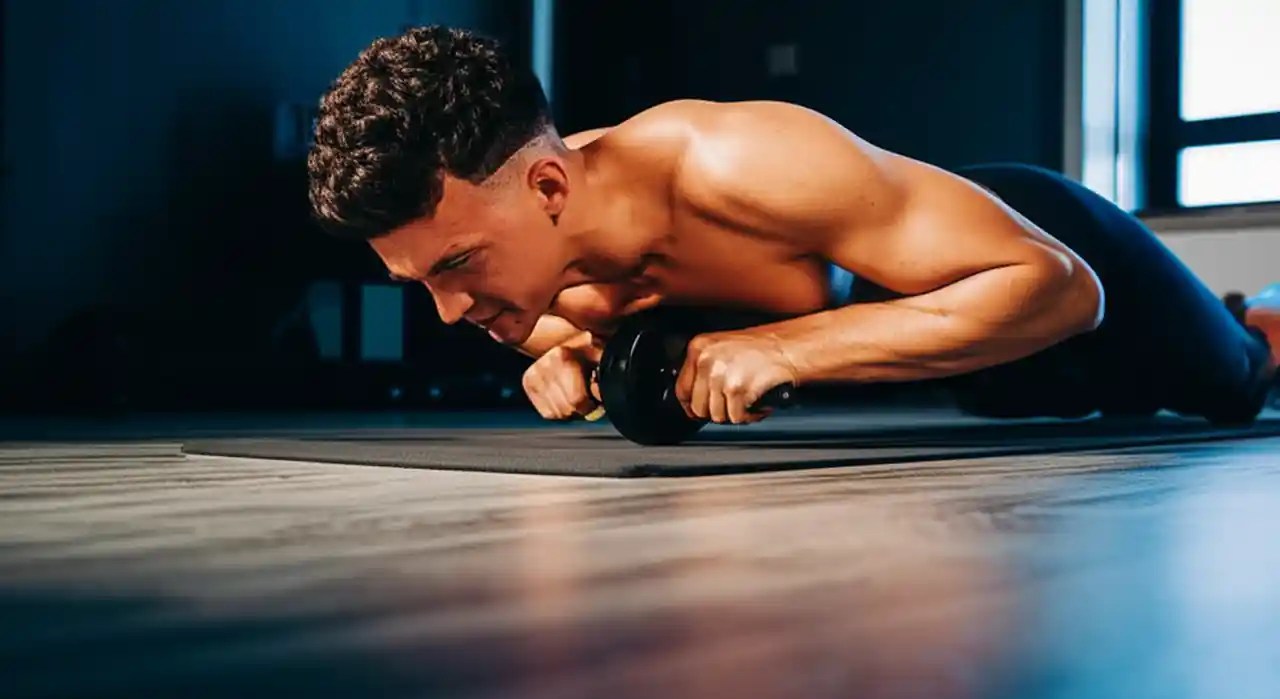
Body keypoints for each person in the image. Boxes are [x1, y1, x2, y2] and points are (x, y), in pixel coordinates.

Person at [307, 26, 1275, 427]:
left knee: (1236, 383)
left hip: (1048, 254)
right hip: (972, 372)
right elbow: (628, 324)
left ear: (549, 188)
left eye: (459, 266)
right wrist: (590, 362)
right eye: (424, 281)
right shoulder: (533, 283)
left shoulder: (733, 163)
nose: (445, 313)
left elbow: (1063, 289)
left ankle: (1257, 310)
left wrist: (783, 348)